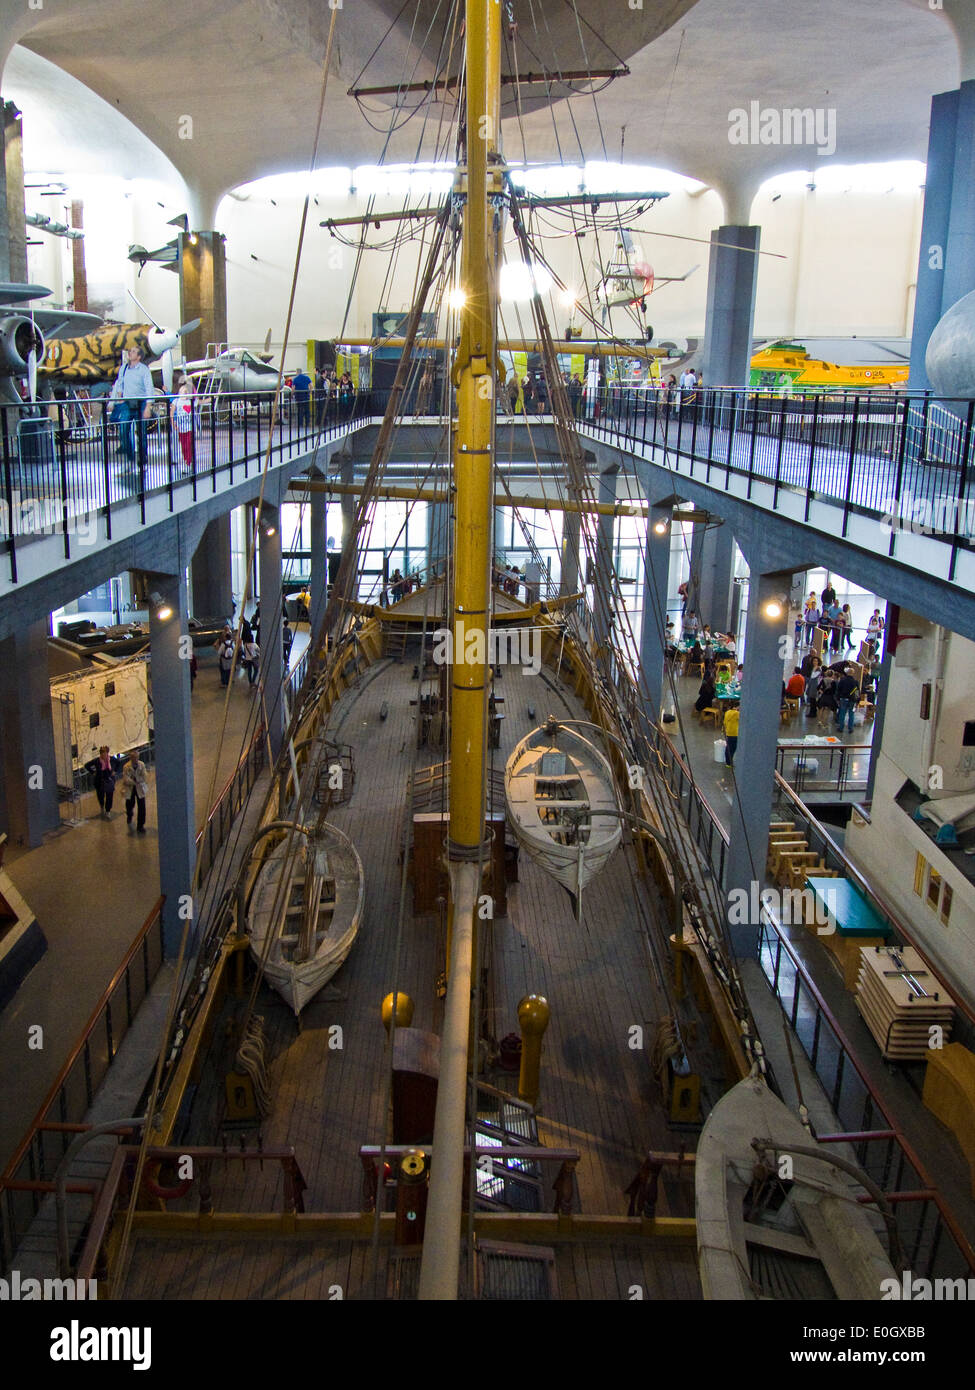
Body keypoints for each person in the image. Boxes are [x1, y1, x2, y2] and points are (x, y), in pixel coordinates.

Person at [109, 345, 154, 464]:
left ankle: (143, 459)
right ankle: (130, 459)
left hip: (141, 403)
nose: (130, 352)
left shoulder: (144, 370)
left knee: (141, 433)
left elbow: (149, 388)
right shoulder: (123, 368)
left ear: (139, 356)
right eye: (130, 351)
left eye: (133, 351)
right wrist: (119, 398)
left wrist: (148, 407)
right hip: (127, 404)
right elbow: (120, 383)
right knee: (123, 431)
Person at [86, 745, 120, 819]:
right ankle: (102, 805)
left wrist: (115, 771)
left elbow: (118, 762)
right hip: (100, 781)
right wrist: (93, 772)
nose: (103, 754)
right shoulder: (97, 761)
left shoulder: (111, 759)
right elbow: (87, 765)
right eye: (101, 752)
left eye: (104, 752)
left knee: (109, 796)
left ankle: (108, 810)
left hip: (109, 780)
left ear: (107, 752)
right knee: (100, 796)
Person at [121, 749, 149, 833]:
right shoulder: (126, 766)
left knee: (142, 807)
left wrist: (137, 779)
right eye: (133, 757)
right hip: (130, 788)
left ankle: (140, 825)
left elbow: (144, 776)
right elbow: (126, 779)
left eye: (136, 757)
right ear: (130, 758)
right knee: (129, 804)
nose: (135, 759)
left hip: (140, 788)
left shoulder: (141, 765)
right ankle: (129, 815)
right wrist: (134, 782)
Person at [170, 382, 195, 469]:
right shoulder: (176, 401)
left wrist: (215, 396)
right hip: (181, 428)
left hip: (189, 428)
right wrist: (173, 424)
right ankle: (187, 460)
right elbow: (172, 414)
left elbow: (202, 401)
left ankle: (187, 462)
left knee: (188, 445)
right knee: (183, 446)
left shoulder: (191, 401)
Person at [835, 665, 860, 733]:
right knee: (851, 714)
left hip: (843, 699)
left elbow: (838, 690)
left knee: (842, 713)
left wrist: (837, 698)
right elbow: (857, 692)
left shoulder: (842, 680)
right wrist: (858, 701)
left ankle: (841, 728)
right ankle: (850, 728)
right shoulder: (855, 682)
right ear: (853, 673)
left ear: (847, 673)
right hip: (852, 700)